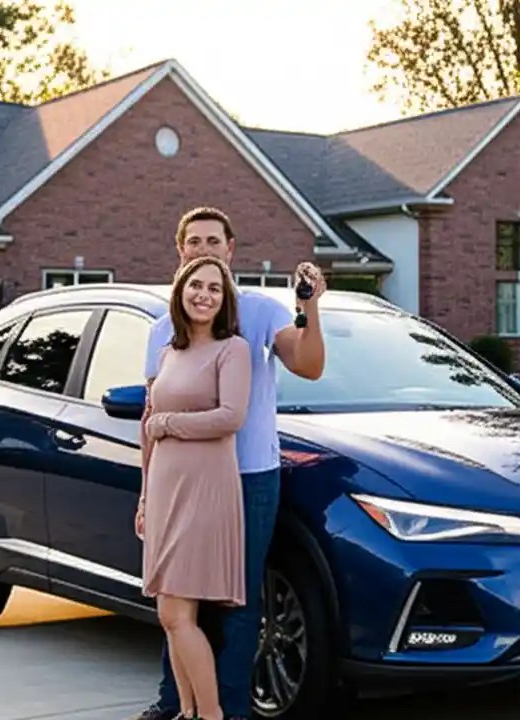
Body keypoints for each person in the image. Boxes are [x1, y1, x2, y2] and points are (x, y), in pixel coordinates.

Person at [131, 206, 327, 720]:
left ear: (230, 249)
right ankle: (174, 704)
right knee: (174, 599)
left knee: (235, 601)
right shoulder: (160, 333)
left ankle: (229, 710)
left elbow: (307, 364)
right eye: (193, 241)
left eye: (213, 241)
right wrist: (146, 491)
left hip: (246, 478)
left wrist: (311, 309)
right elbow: (151, 413)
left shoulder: (258, 316)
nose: (203, 249)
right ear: (180, 251)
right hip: (177, 483)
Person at [139, 255, 250, 720]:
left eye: (214, 289)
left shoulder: (233, 350)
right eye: (196, 286)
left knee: (178, 615)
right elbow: (147, 428)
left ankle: (210, 715)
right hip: (164, 492)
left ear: (224, 302)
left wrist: (170, 422)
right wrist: (144, 497)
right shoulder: (168, 353)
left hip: (206, 490)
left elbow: (231, 417)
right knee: (170, 616)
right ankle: (186, 712)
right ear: (180, 292)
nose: (203, 295)